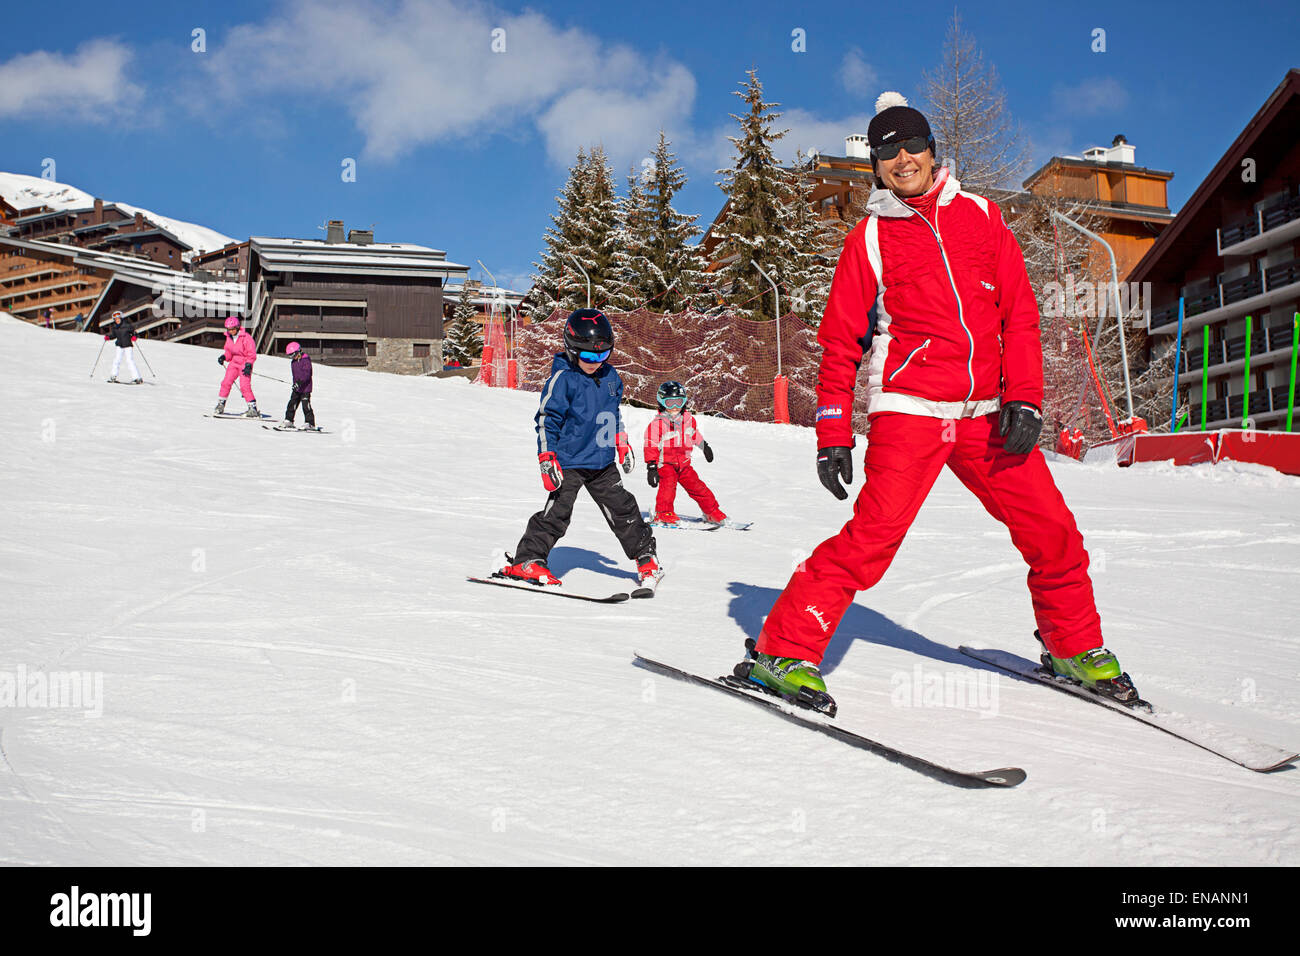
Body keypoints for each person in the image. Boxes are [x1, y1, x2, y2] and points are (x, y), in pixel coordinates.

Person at [741, 92, 1138, 711]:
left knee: (1052, 531)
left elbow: (1020, 317)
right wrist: (832, 432)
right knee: (872, 538)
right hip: (911, 410)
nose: (903, 159)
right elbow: (839, 342)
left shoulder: (981, 216)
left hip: (986, 415)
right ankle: (784, 650)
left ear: (933, 150)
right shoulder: (869, 238)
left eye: (912, 145)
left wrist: (1026, 400)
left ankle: (1073, 646)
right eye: (888, 151)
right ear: (876, 165)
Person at [499, 308, 660, 588]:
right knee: (557, 513)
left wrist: (620, 442)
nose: (595, 362)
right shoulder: (563, 380)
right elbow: (546, 419)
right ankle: (528, 561)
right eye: (587, 356)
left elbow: (611, 415)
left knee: (623, 509)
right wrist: (547, 457)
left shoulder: (611, 378)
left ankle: (646, 557)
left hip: (601, 461)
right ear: (572, 349)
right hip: (569, 461)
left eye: (602, 355)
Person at [643, 381, 726, 526]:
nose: (675, 407)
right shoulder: (657, 425)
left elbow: (694, 434)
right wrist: (652, 466)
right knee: (667, 488)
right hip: (666, 465)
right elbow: (651, 444)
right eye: (670, 403)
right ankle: (663, 513)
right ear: (662, 402)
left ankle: (711, 511)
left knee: (699, 488)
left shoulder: (688, 420)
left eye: (678, 402)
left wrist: (704, 446)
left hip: (684, 465)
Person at [214, 316, 259, 417]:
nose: (231, 331)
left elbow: (251, 354)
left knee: (244, 386)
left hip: (244, 364)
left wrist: (248, 364)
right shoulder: (229, 338)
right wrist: (224, 357)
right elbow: (229, 352)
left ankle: (253, 408)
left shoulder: (246, 338)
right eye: (229, 329)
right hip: (234, 363)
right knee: (226, 382)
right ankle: (221, 405)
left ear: (238, 327)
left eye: (233, 329)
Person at [103, 310, 142, 383]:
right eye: (115, 319)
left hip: (127, 345)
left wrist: (134, 337)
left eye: (118, 318)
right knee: (116, 360)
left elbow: (134, 333)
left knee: (129, 361)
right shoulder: (115, 327)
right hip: (119, 345)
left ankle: (137, 378)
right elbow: (114, 335)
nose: (117, 320)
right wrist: (108, 337)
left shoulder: (127, 325)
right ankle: (113, 376)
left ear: (121, 318)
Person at [283, 342, 316, 428]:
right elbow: (295, 375)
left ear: (299, 351)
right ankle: (289, 420)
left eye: (292, 355)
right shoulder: (293, 362)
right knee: (292, 404)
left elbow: (307, 374)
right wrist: (295, 384)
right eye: (289, 356)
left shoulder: (306, 360)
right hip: (297, 388)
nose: (292, 357)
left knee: (305, 405)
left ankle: (310, 423)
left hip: (305, 388)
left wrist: (300, 382)